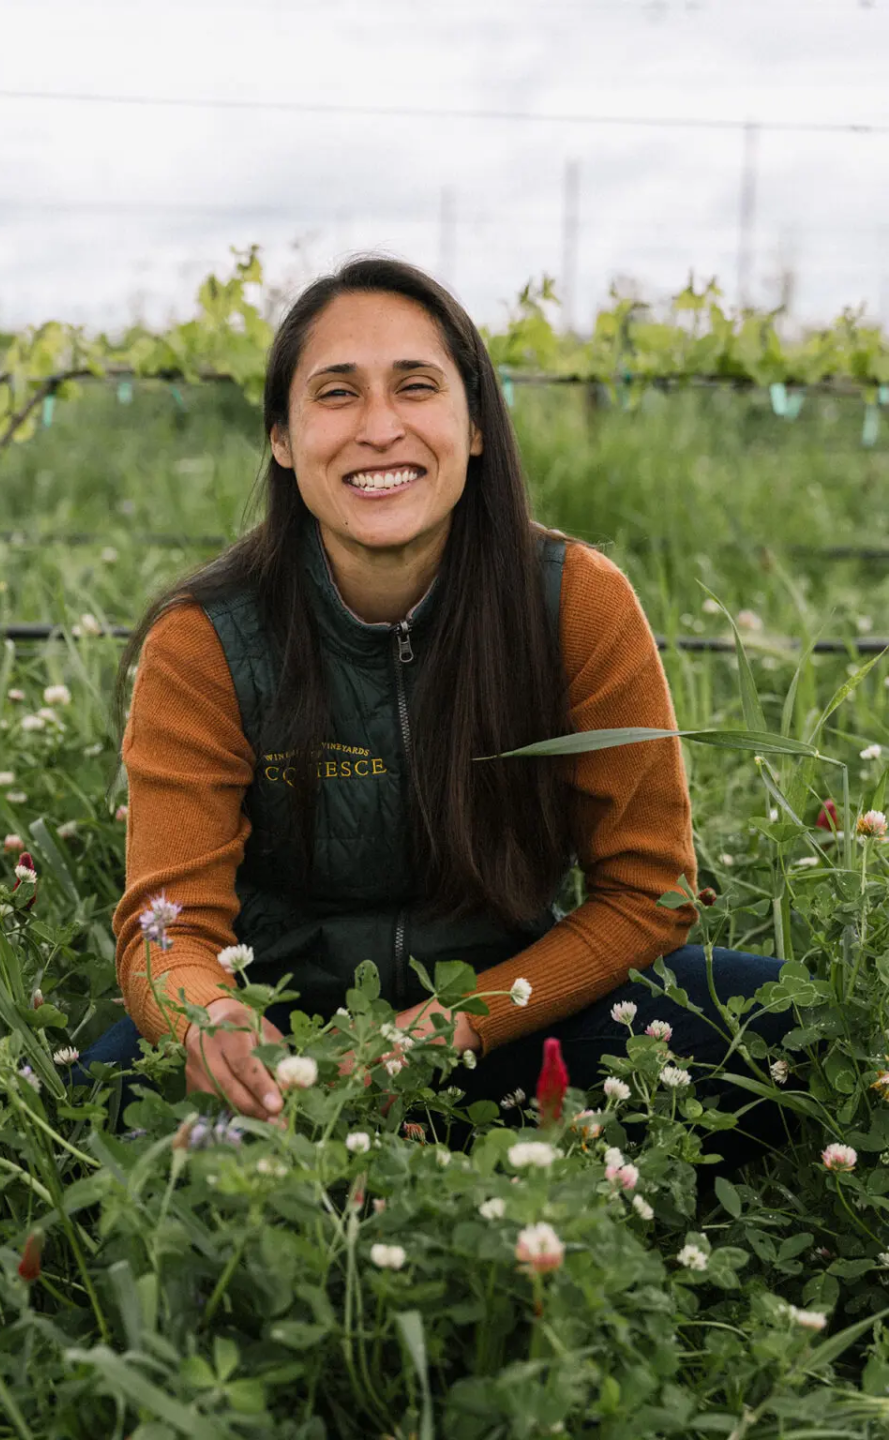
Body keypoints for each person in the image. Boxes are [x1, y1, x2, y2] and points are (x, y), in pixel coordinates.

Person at [84, 256, 790, 1171]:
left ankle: (445, 1160)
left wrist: (453, 1025)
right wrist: (210, 1018)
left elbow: (651, 893)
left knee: (783, 1022)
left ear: (476, 426)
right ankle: (433, 1164)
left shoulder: (576, 602)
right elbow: (168, 929)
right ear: (284, 440)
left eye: (416, 386)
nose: (380, 428)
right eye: (336, 394)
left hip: (510, 1017)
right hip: (282, 1045)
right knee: (97, 1106)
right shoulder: (206, 640)